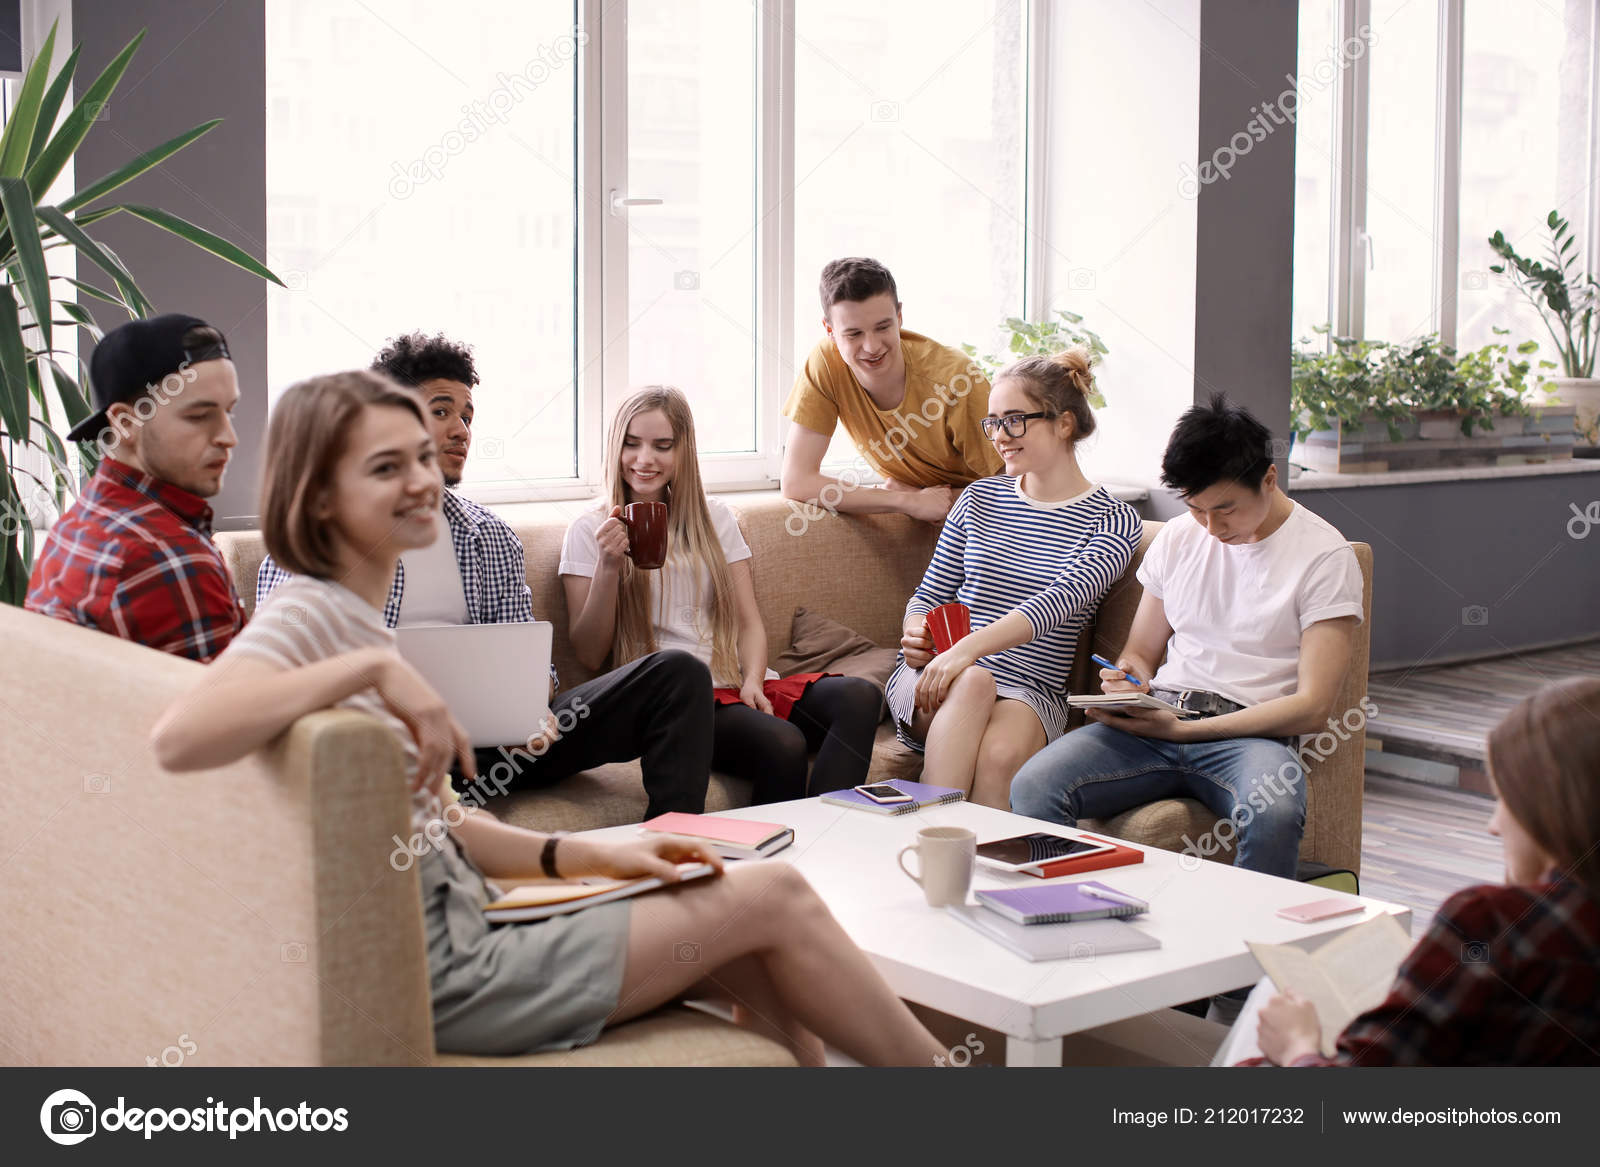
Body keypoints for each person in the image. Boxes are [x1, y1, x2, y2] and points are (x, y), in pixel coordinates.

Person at [149, 369, 945, 1065]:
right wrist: (375, 667)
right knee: (776, 896)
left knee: (738, 916)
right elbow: (179, 736)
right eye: (386, 467)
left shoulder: (358, 610)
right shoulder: (317, 616)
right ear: (321, 497)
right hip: (454, 969)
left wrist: (600, 858)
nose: (423, 479)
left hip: (472, 919)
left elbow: (440, 826)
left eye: (422, 456)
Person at [257, 332, 712, 818]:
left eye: (467, 416)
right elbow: (281, 678)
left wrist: (534, 705)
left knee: (677, 674)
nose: (461, 430)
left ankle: (676, 845)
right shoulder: (317, 542)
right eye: (440, 411)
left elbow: (529, 661)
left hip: (502, 749)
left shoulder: (491, 536)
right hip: (387, 746)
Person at [1010, 394, 1363, 880]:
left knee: (1274, 812)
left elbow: (1313, 706)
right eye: (1197, 509)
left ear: (1269, 479)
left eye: (1227, 510)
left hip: (1250, 733)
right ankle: (1067, 920)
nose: (1213, 528)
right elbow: (1139, 653)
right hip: (1160, 720)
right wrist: (1127, 682)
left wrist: (1189, 732)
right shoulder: (1179, 537)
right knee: (1034, 785)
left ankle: (1254, 947)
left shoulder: (1324, 557)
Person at [1240, 677, 1600, 1066]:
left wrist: (1297, 1048)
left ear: (1549, 809)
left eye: (1504, 800)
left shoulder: (1492, 923)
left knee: (1271, 1005)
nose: (1493, 826)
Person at [561, 386, 883, 804]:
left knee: (861, 696)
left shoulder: (715, 518)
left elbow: (749, 621)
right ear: (615, 447)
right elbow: (588, 653)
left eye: (662, 446)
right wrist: (608, 566)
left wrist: (752, 680)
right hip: (681, 704)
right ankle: (772, 861)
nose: (645, 459)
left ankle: (828, 835)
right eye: (632, 443)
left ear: (683, 452)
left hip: (735, 682)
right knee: (782, 744)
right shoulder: (588, 531)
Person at [884, 349, 1140, 808]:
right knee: (976, 682)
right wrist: (915, 632)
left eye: (1014, 420)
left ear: (1064, 423)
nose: (1000, 436)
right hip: (941, 674)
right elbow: (928, 595)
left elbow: (1055, 605)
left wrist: (967, 651)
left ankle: (970, 867)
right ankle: (932, 847)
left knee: (1001, 755)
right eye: (993, 422)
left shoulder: (1114, 521)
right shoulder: (979, 498)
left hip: (1030, 688)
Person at [26, 313, 246, 661]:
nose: (228, 438)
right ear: (126, 422)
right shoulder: (171, 559)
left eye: (229, 412)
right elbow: (236, 713)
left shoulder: (75, 527)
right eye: (200, 416)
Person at [780, 257, 1003, 525]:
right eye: (854, 334)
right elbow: (796, 482)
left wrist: (931, 498)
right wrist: (905, 501)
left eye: (883, 327)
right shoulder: (826, 363)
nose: (872, 346)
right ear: (830, 330)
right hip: (929, 509)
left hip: (991, 528)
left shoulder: (955, 378)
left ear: (899, 316)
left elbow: (1018, 489)